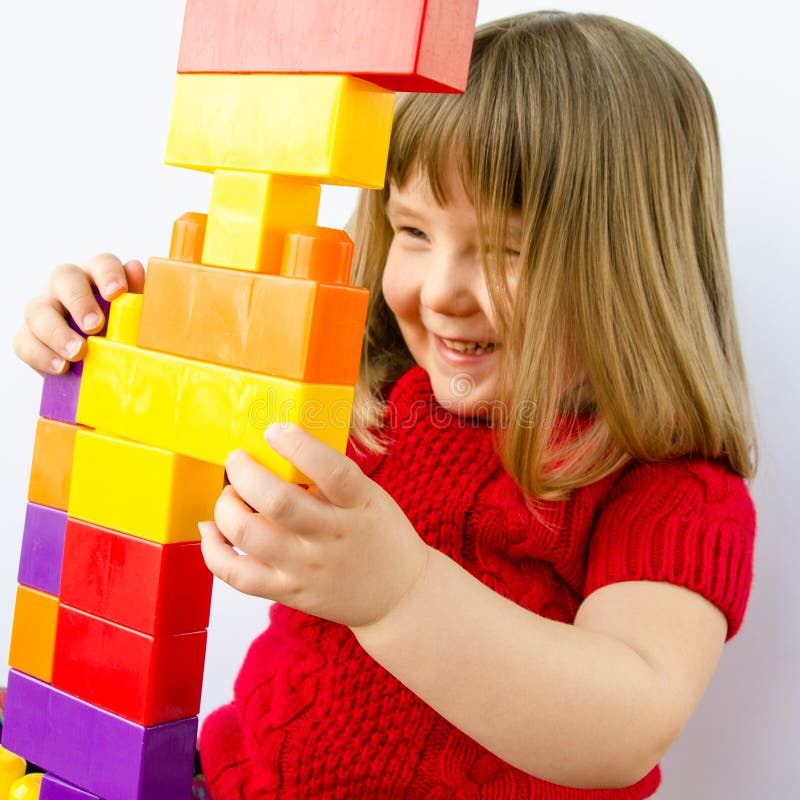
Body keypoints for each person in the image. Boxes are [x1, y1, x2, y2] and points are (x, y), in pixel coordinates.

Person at [12, 10, 757, 799]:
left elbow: (626, 726)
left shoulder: (674, 493)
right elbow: (172, 449)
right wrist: (111, 338)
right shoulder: (363, 403)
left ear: (633, 271)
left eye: (507, 249)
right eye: (413, 231)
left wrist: (398, 594)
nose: (439, 293)